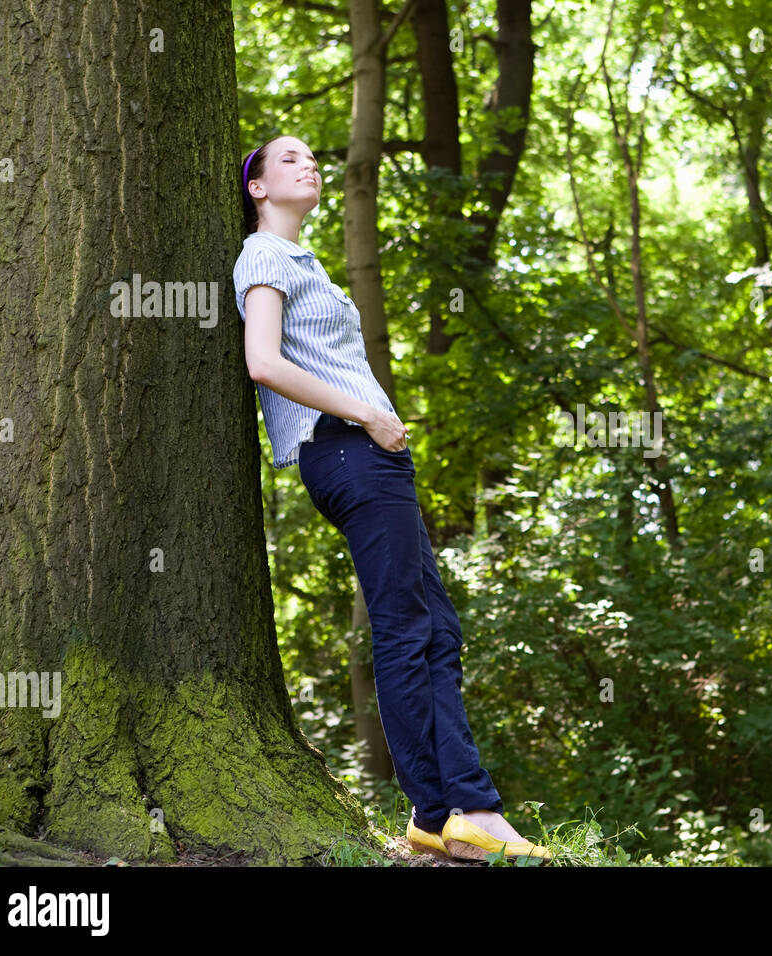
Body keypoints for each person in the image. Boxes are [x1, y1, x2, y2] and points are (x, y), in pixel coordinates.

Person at [233, 134, 549, 863]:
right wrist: (370, 414)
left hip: (369, 458)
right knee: (408, 631)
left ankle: (445, 814)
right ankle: (460, 808)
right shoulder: (264, 256)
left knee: (434, 628)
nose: (308, 164)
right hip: (348, 451)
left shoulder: (305, 263)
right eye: (289, 159)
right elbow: (263, 361)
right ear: (256, 188)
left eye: (314, 158)